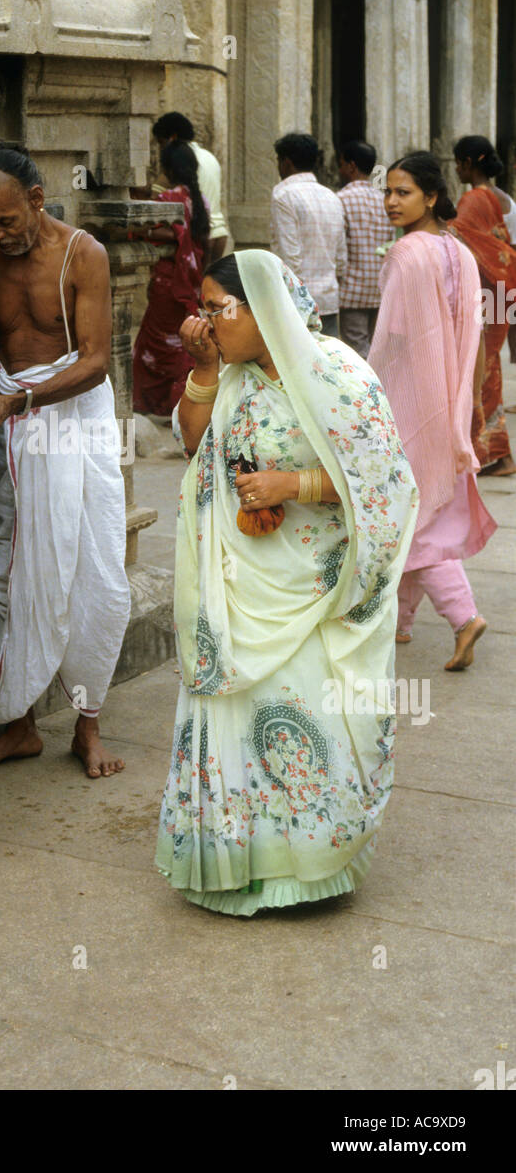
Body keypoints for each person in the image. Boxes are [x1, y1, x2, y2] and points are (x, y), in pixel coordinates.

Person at [156, 250, 418, 916]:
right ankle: (238, 860)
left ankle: (312, 868)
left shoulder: (337, 374)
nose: (206, 321)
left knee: (310, 714)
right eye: (205, 309)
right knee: (241, 719)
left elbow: (382, 483)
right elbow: (195, 447)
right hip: (241, 585)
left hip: (316, 591)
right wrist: (205, 370)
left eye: (219, 309)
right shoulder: (236, 374)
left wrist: (292, 485)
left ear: (264, 307)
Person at [0, 149, 131, 778]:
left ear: (37, 199)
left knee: (93, 571)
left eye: (7, 220)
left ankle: (88, 729)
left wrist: (24, 398)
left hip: (73, 422)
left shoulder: (84, 254)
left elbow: (95, 361)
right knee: (15, 568)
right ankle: (20, 727)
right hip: (16, 427)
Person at [369, 152, 497, 670]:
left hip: (409, 400)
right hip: (446, 400)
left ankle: (464, 617)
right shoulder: (459, 251)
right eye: (389, 191)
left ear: (432, 197)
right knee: (418, 509)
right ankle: (398, 624)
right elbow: (477, 331)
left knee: (410, 521)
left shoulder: (405, 255)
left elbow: (390, 339)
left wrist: (363, 391)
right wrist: (473, 402)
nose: (392, 201)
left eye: (403, 192)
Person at [451, 135, 516, 476]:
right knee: (488, 373)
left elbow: (460, 238)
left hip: (487, 297)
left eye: (459, 162)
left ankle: (490, 453)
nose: (457, 169)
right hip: (498, 295)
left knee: (482, 375)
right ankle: (496, 453)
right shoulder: (496, 196)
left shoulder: (474, 198)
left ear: (468, 163)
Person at [132, 140, 210, 416]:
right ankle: (180, 404)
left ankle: (159, 405)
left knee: (158, 343)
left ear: (167, 168)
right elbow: (199, 238)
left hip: (169, 280)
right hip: (191, 280)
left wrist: (145, 234)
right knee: (180, 344)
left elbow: (161, 231)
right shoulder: (199, 200)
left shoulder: (168, 199)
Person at [271, 132, 348, 338]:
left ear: (286, 162)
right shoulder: (332, 196)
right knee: (329, 361)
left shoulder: (283, 195)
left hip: (298, 301)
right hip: (328, 298)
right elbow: (341, 258)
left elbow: (290, 257)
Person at [337, 139, 391, 358]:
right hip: (379, 288)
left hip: (352, 292)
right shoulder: (385, 201)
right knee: (376, 349)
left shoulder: (340, 199)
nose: (339, 170)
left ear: (351, 166)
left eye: (340, 164)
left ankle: (369, 391)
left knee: (357, 351)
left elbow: (339, 249)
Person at [152, 111, 229, 258]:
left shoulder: (178, 162)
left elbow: (155, 201)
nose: (161, 150)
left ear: (172, 138)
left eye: (161, 143)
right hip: (219, 234)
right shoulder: (209, 156)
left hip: (199, 239)